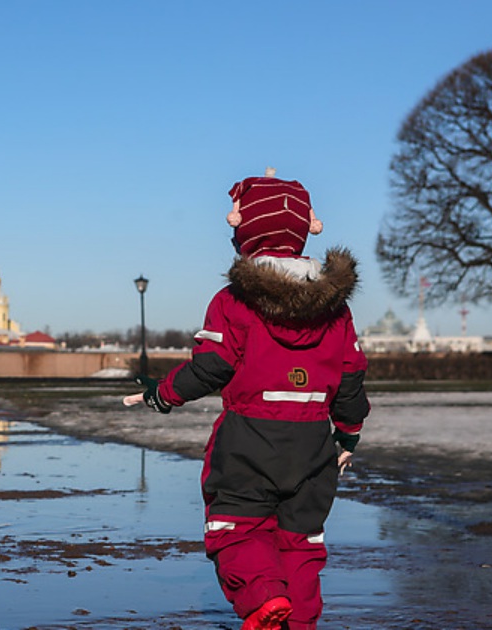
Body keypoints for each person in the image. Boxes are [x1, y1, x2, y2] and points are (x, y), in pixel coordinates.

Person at [126, 172, 369, 630]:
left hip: (249, 437)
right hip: (314, 440)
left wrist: (161, 395)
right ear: (304, 227)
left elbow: (212, 365)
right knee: (301, 541)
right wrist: (349, 435)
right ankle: (298, 621)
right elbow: (352, 377)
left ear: (243, 229)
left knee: (235, 526)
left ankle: (263, 598)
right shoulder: (337, 309)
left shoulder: (234, 300)